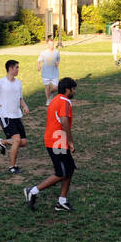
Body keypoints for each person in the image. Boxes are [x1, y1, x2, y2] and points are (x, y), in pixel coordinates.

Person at [25, 77, 78, 212]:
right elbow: (64, 122)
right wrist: (70, 141)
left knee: (69, 169)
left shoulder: (55, 99)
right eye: (73, 89)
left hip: (56, 139)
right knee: (61, 173)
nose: (74, 92)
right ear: (67, 90)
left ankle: (62, 201)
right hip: (57, 141)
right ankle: (33, 191)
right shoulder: (65, 101)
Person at [0, 59, 30, 174]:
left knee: (23, 142)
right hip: (5, 116)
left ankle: (3, 142)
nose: (18, 70)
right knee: (16, 140)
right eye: (17, 68)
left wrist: (24, 106)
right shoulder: (0, 82)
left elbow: (20, 98)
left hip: (16, 116)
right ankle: (12, 166)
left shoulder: (18, 82)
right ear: (10, 68)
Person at [38, 34, 62, 105]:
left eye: (52, 44)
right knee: (47, 87)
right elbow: (39, 60)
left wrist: (58, 63)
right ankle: (48, 100)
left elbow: (58, 59)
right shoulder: (44, 53)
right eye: (50, 44)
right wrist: (39, 66)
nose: (52, 45)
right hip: (46, 73)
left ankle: (51, 93)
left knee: (56, 87)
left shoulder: (57, 52)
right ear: (47, 45)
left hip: (54, 73)